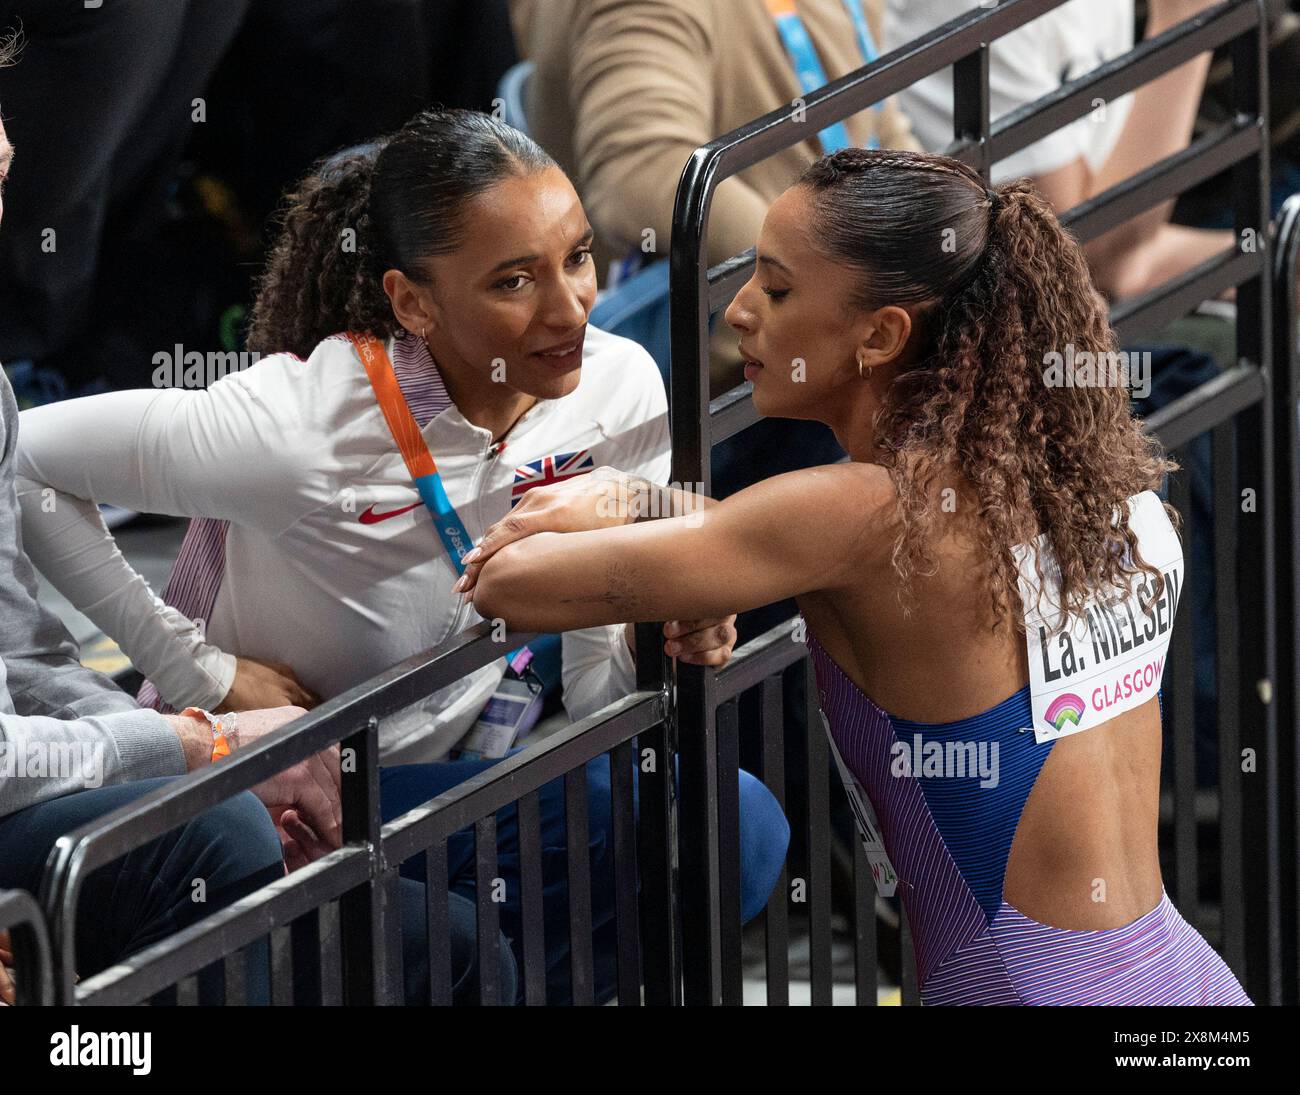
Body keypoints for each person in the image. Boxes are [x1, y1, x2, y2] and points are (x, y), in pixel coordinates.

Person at [16, 108, 789, 1004]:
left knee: (733, 825)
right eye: (513, 281)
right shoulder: (301, 425)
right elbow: (23, 459)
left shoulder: (620, 386)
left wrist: (652, 632)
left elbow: (596, 697)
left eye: (577, 258)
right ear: (413, 302)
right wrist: (199, 671)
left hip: (427, 783)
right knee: (425, 926)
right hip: (269, 790)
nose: (570, 306)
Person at [460, 148, 1253, 1005]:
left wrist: (622, 499)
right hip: (1186, 985)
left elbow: (509, 581)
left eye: (778, 288)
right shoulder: (1091, 486)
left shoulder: (863, 514)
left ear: (880, 334)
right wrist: (685, 537)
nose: (737, 313)